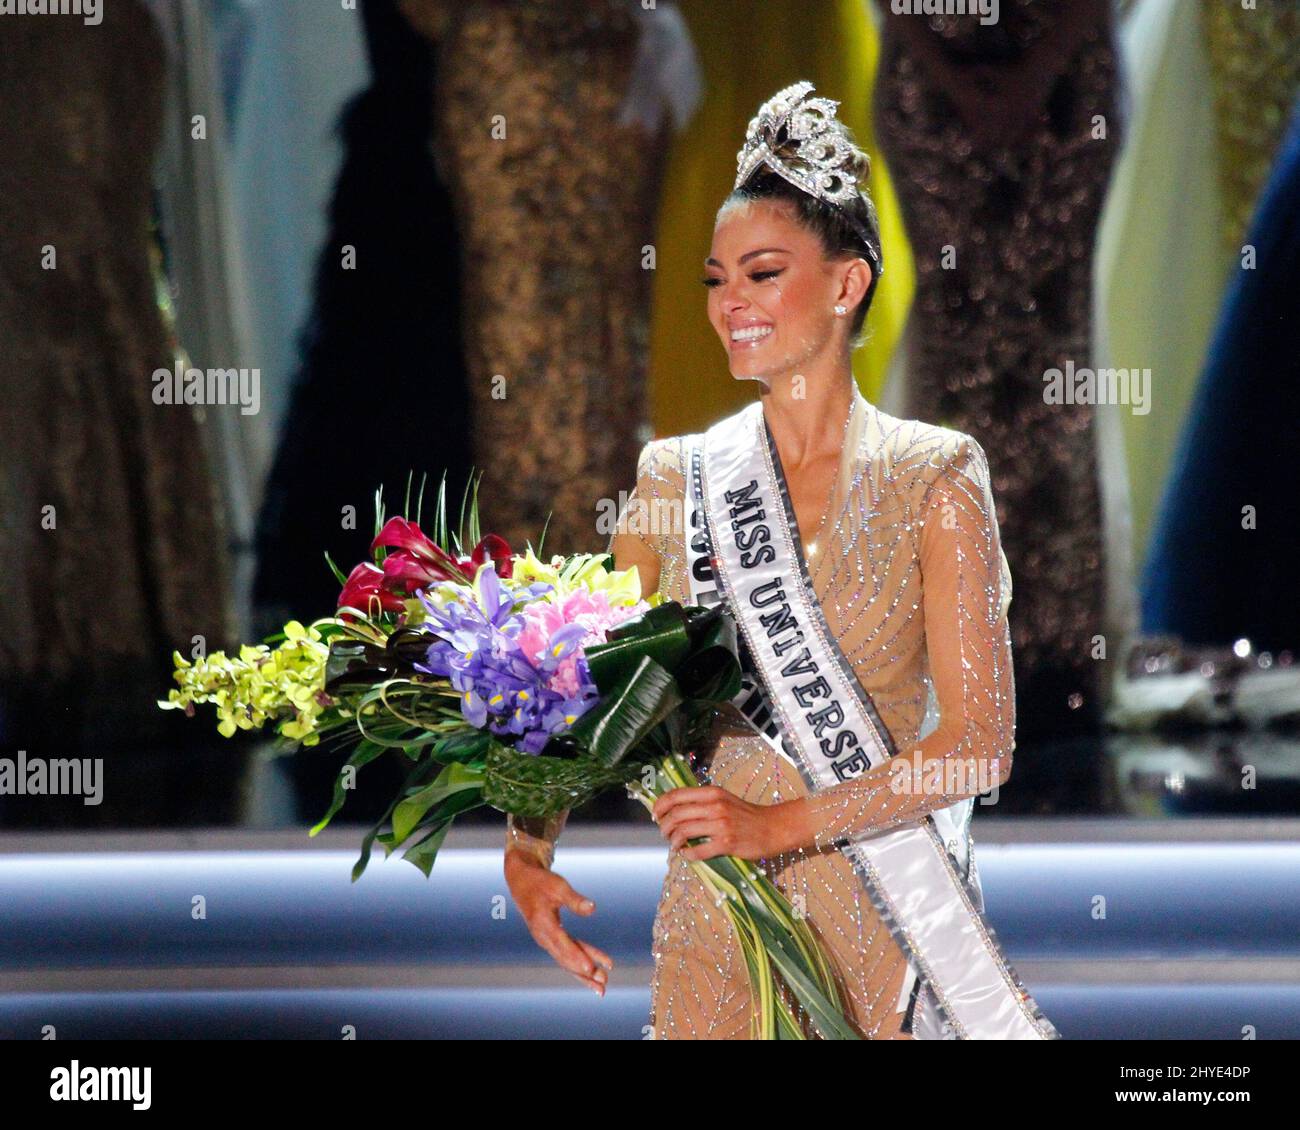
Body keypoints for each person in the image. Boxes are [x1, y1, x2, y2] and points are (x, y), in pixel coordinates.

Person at [503, 83, 1058, 1040]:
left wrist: (775, 827)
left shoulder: (937, 475)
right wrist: (526, 844)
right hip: (717, 922)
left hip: (884, 920)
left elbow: (978, 744)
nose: (730, 306)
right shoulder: (676, 478)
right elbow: (582, 690)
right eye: (716, 280)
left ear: (847, 285)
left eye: (761, 274)